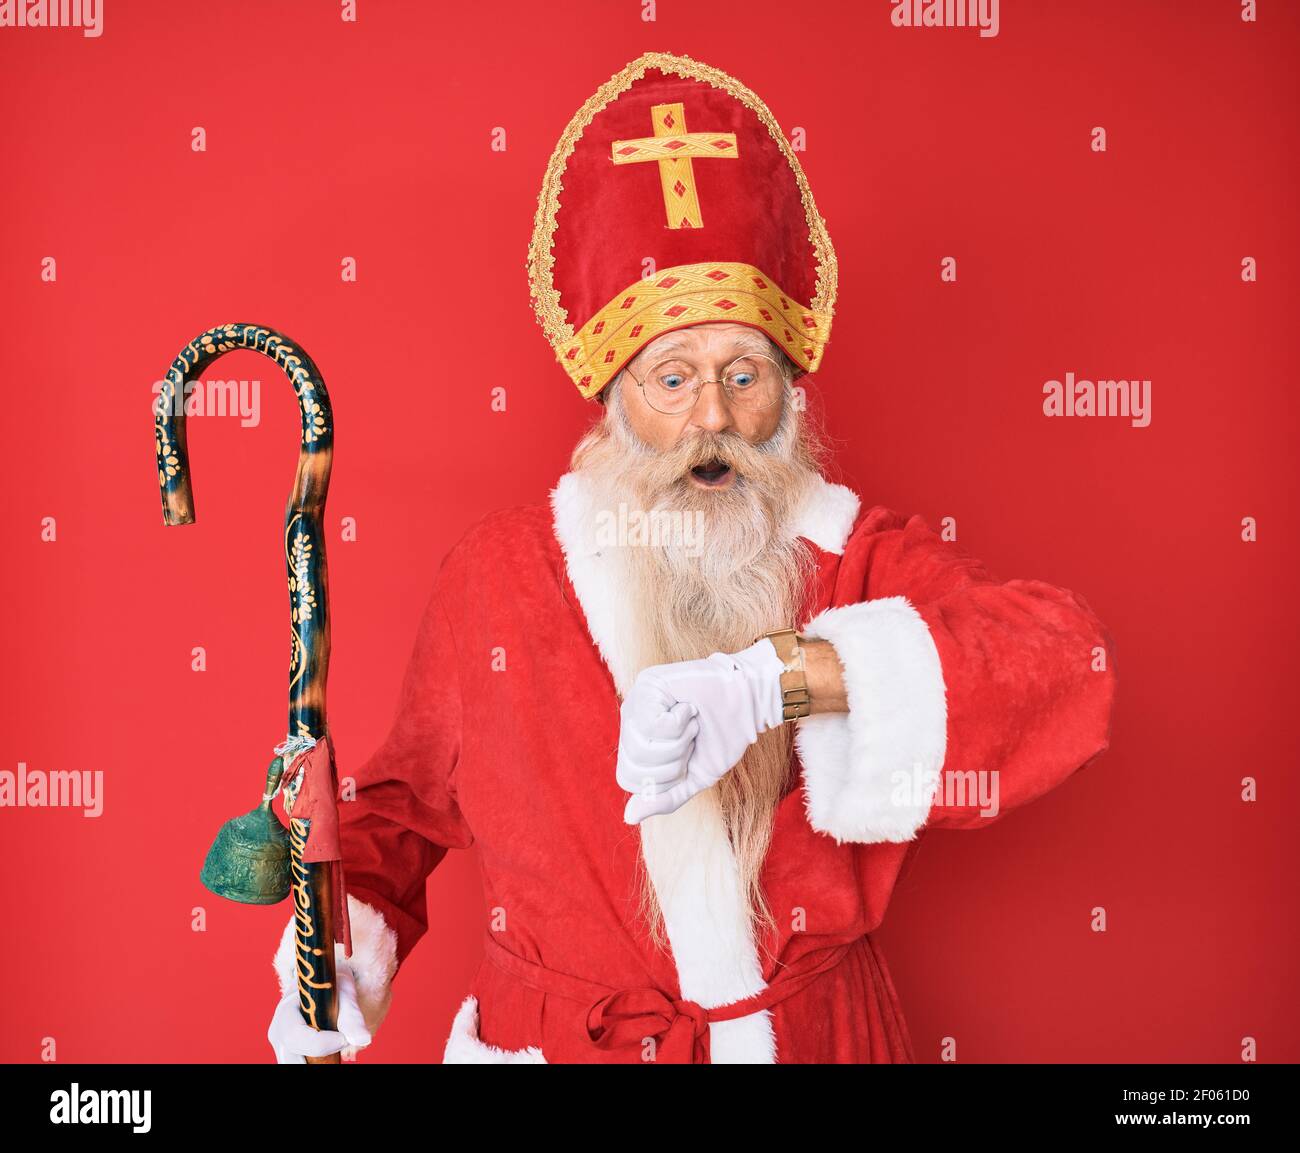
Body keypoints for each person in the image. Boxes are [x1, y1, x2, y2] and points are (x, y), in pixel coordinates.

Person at [267, 50, 1116, 1064]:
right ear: (613, 397)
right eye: (672, 378)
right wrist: (337, 943)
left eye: (743, 373)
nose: (713, 417)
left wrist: (782, 681)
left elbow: (1064, 664)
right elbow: (398, 818)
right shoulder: (495, 576)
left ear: (789, 392)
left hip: (810, 1040)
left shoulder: (849, 553)